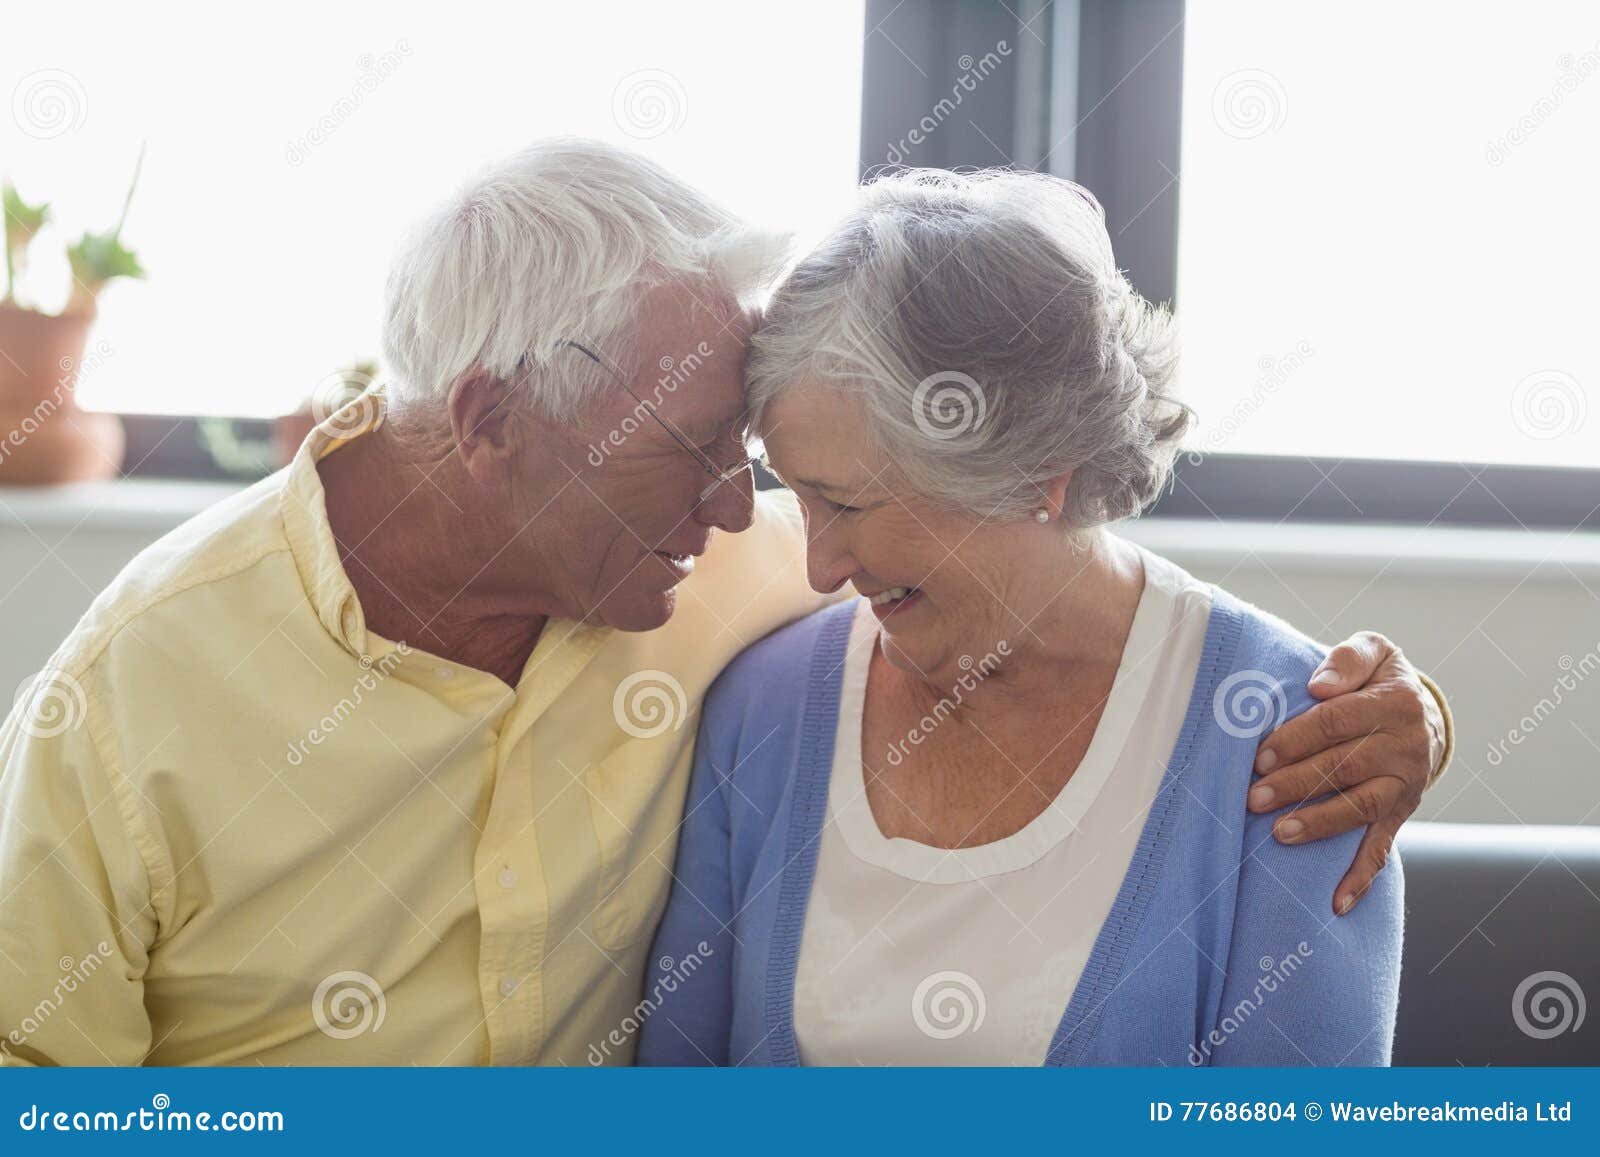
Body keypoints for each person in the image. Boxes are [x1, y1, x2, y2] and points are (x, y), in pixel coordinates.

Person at [0, 142, 1446, 1067]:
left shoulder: (732, 576)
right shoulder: (133, 699)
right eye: (691, 458)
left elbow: (1064, 578)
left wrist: (1401, 710)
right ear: (496, 423)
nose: (753, 524)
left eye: (756, 466)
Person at [638, 169, 1416, 1066]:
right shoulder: (762, 708)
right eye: (798, 497)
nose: (819, 565)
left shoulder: (1301, 740)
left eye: (848, 506)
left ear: (1035, 473)